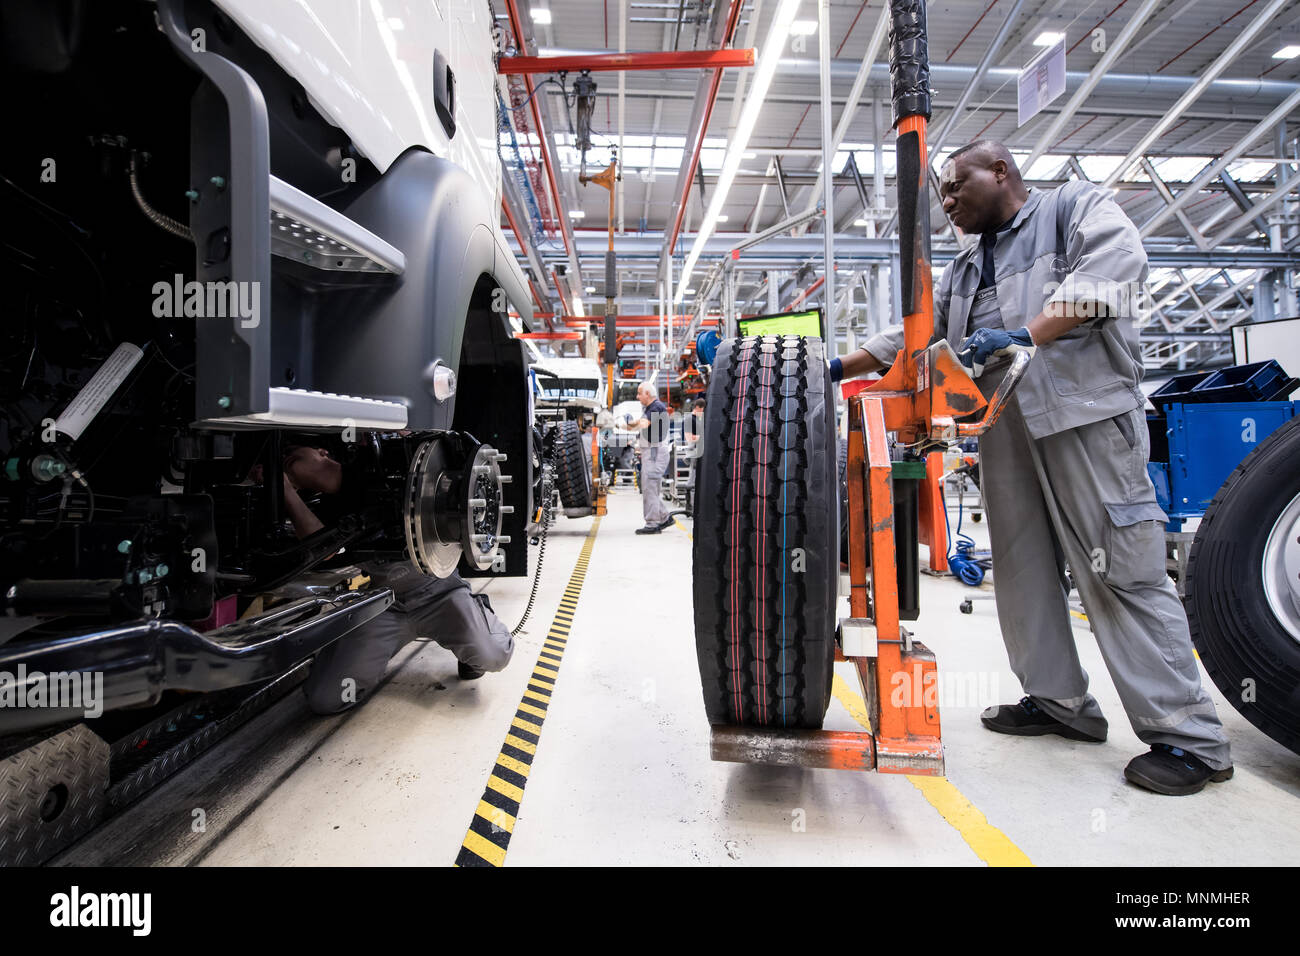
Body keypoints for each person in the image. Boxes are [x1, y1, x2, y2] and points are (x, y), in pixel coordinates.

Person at [834, 140, 1231, 796]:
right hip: (1004, 427)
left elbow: (1116, 268)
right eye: (941, 195)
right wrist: (833, 367)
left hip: (1085, 418)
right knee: (1020, 571)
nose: (948, 202)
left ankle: (1189, 737)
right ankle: (1057, 701)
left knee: (1120, 568)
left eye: (956, 187)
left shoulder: (1073, 209)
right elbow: (915, 337)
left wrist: (1028, 333)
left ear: (1000, 172)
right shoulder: (964, 269)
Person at [278, 444, 514, 714]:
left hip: (440, 594)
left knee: (494, 655)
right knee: (325, 699)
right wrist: (286, 491)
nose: (287, 462)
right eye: (284, 466)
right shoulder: (321, 510)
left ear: (323, 451)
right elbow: (323, 553)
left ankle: (477, 614)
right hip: (385, 604)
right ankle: (354, 656)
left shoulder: (387, 463)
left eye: (292, 455)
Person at [619, 381, 674, 534]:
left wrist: (630, 423)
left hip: (655, 452)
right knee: (651, 487)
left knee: (650, 487)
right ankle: (664, 517)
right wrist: (624, 425)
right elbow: (639, 426)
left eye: (639, 393)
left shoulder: (656, 407)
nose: (637, 397)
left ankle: (652, 524)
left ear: (647, 394)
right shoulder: (650, 408)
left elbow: (643, 424)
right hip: (651, 451)